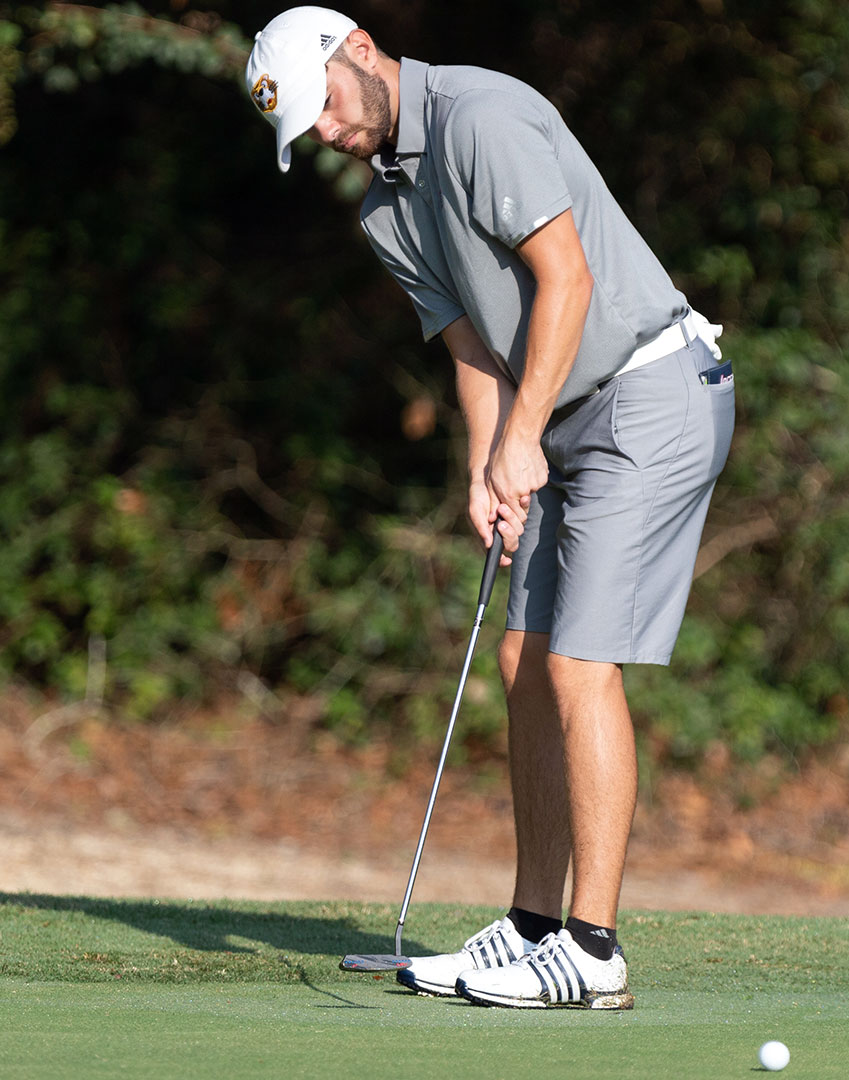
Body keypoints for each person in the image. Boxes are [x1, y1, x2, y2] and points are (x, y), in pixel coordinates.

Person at [243, 8, 735, 1010]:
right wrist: (486, 462)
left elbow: (567, 281)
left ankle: (593, 952)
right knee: (523, 657)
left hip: (651, 391)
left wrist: (524, 438)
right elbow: (472, 348)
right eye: (311, 132)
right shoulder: (386, 210)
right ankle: (533, 926)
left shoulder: (480, 116)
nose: (330, 134)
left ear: (362, 51)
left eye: (327, 108)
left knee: (577, 661)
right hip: (561, 416)